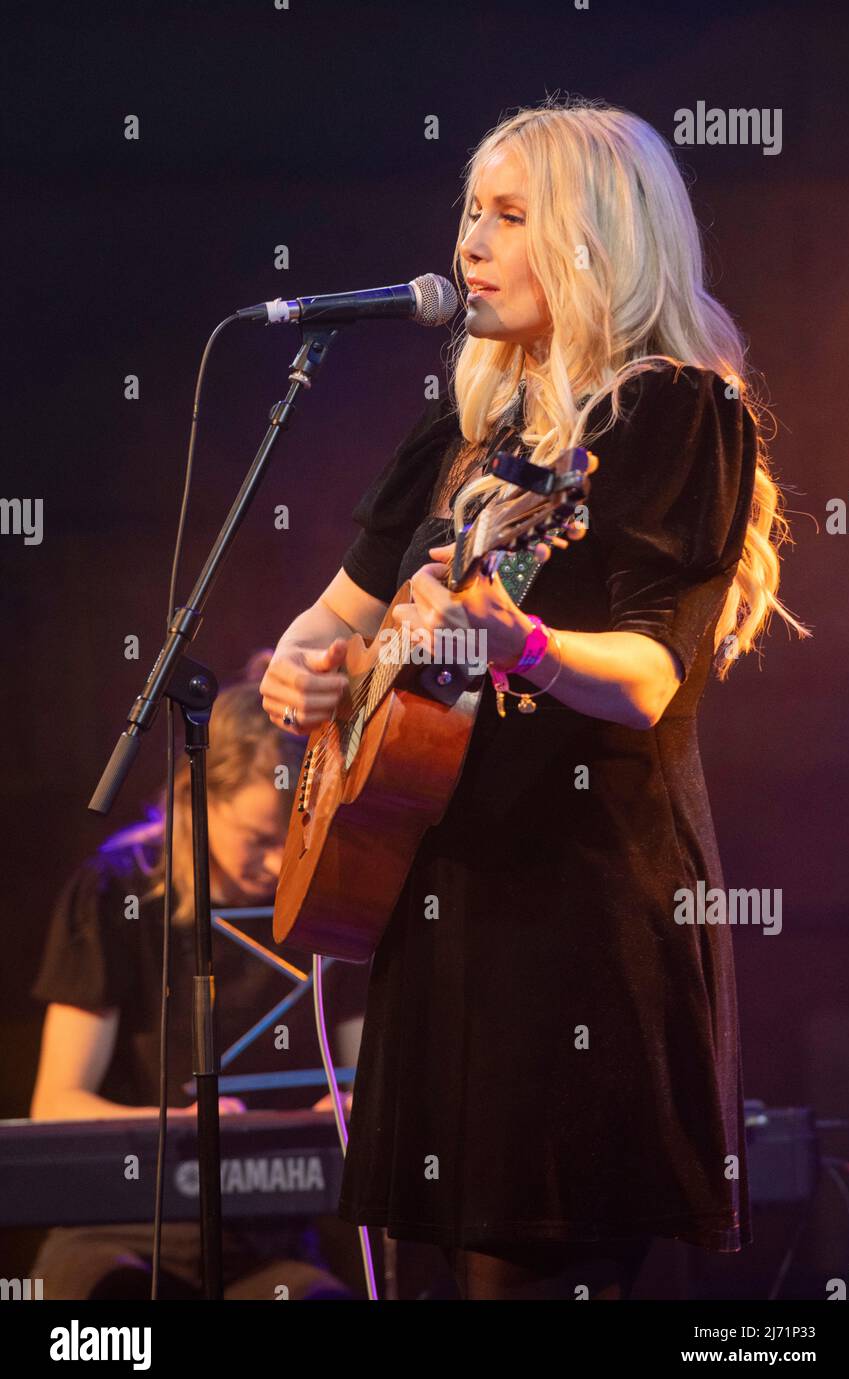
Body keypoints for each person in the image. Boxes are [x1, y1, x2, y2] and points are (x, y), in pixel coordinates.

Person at [258, 98, 808, 1301]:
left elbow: (649, 677)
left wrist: (527, 642)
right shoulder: (458, 429)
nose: (469, 242)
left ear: (597, 242)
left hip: (576, 912)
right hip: (435, 894)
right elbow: (328, 622)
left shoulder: (673, 410)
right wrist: (294, 671)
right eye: (470, 211)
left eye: (510, 217)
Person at [29, 650, 370, 1300]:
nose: (276, 865)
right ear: (196, 799)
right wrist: (177, 1124)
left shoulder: (325, 895)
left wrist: (355, 1107)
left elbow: (362, 1076)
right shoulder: (115, 889)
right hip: (119, 1225)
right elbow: (55, 1105)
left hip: (264, 1242)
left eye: (293, 838)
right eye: (257, 838)